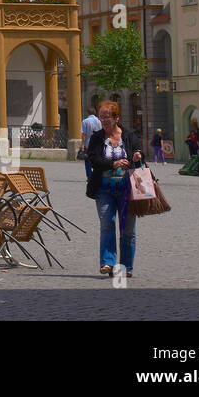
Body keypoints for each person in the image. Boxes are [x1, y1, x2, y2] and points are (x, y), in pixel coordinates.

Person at [86, 100, 144, 278]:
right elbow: (93, 159)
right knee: (107, 224)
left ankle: (126, 267)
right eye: (101, 117)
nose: (103, 120)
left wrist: (136, 157)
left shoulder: (129, 136)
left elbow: (139, 156)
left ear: (116, 118)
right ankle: (107, 263)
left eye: (106, 117)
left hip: (127, 190)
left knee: (127, 230)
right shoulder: (97, 138)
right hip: (104, 189)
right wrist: (113, 163)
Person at [80, 104, 102, 180]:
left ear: (88, 113)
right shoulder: (99, 121)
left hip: (88, 143)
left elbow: (84, 134)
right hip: (98, 143)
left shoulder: (85, 121)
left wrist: (82, 144)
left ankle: (90, 176)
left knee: (88, 161)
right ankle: (97, 175)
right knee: (97, 159)